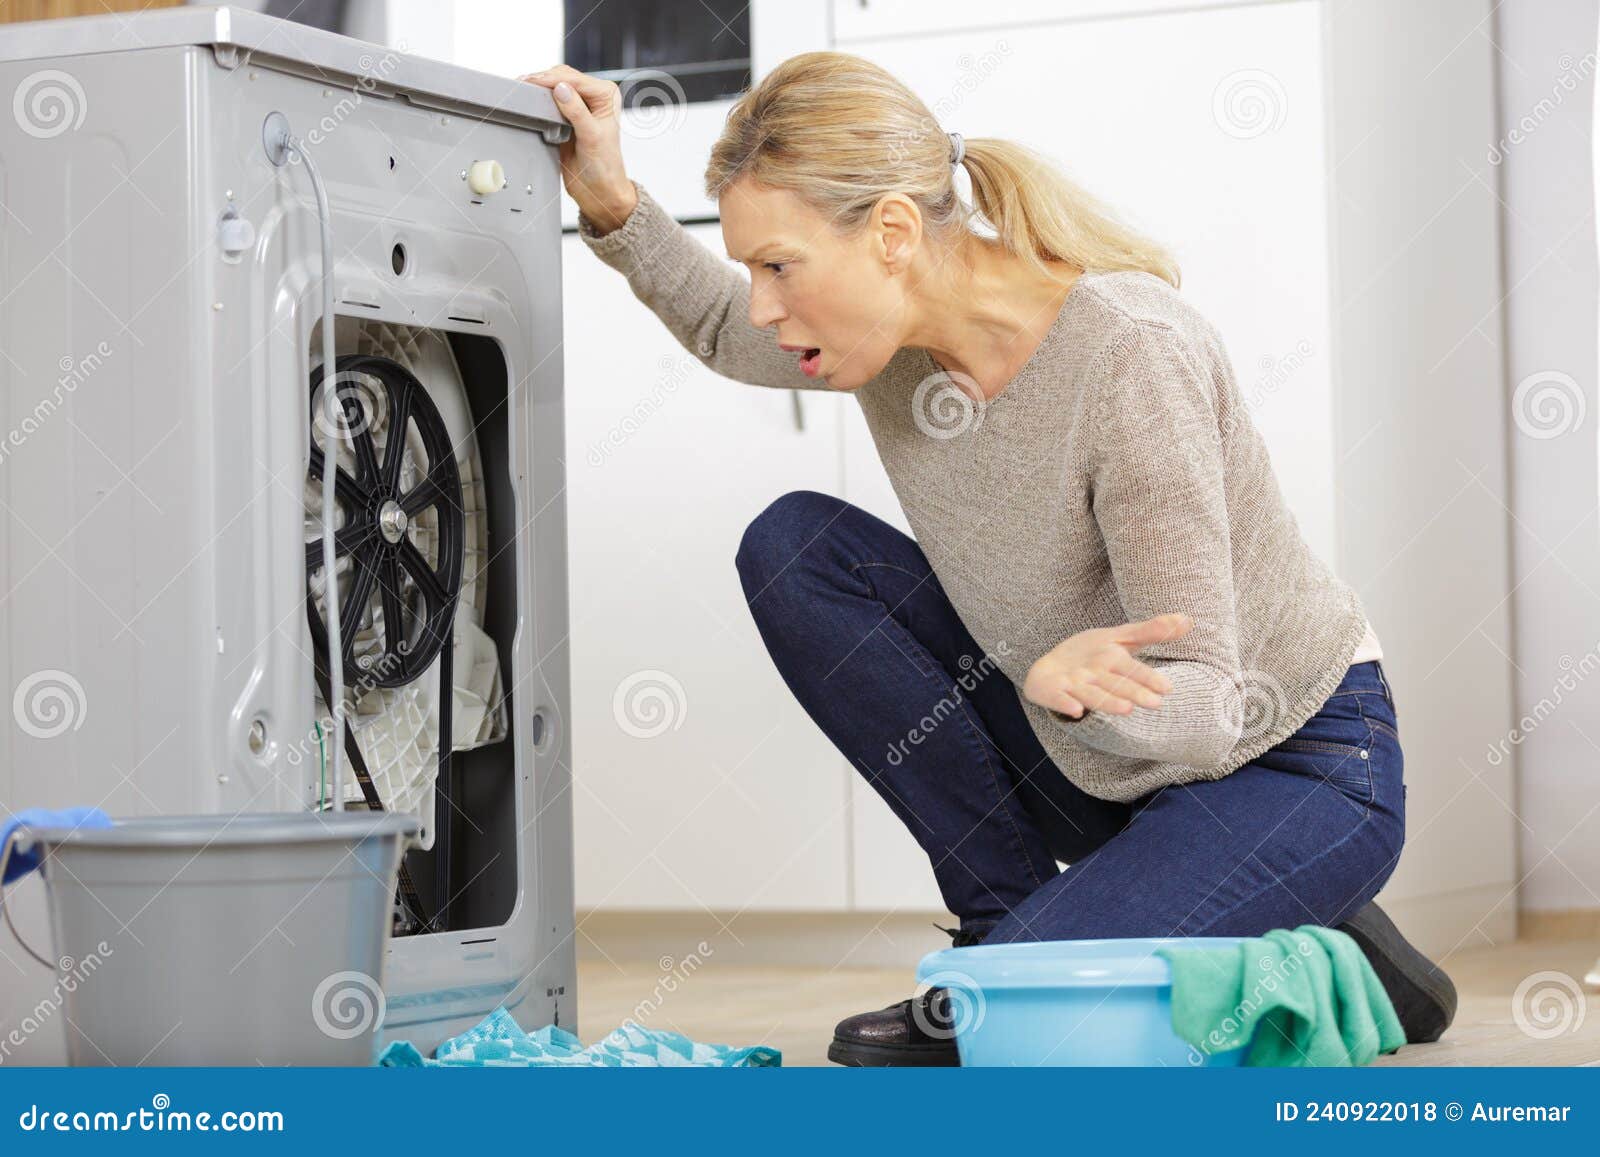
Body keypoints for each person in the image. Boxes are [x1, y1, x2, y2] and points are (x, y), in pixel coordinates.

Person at [521, 51, 1456, 1065]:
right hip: (1102, 760)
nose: (760, 305)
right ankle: (1003, 929)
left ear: (888, 233)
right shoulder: (887, 339)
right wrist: (610, 199)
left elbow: (1205, 713)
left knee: (1022, 1020)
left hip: (1293, 758)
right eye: (753, 269)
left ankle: (1314, 926)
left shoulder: (1127, 355)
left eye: (778, 266)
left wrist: (1064, 687)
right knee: (794, 548)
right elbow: (711, 322)